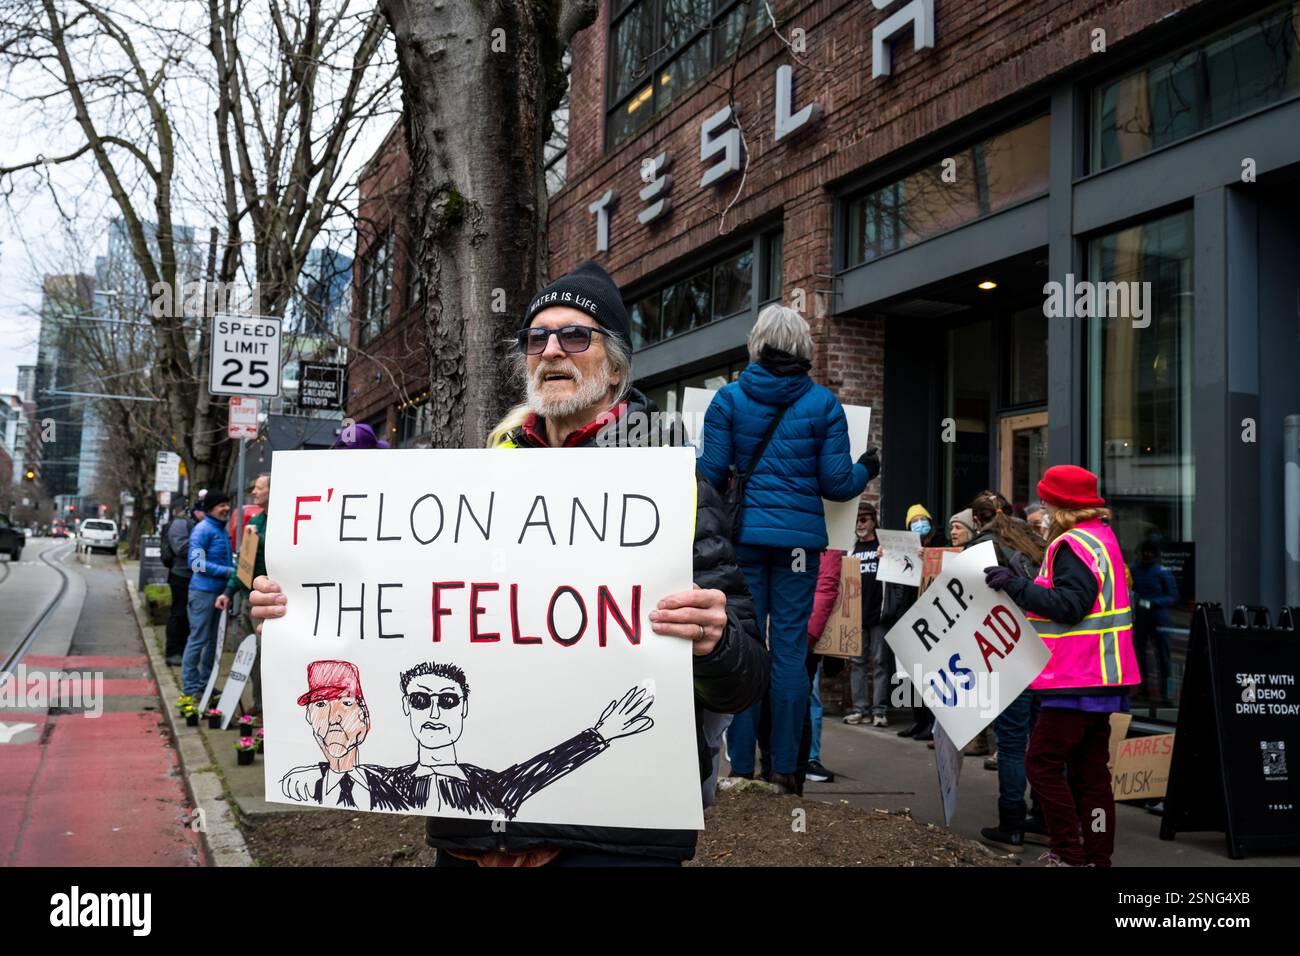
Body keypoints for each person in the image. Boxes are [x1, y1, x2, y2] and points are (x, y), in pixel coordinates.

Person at [250, 259, 766, 867]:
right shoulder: (470, 490)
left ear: (617, 362)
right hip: (474, 842)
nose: (552, 351)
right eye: (536, 338)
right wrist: (300, 613)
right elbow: (418, 628)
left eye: (577, 335)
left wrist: (714, 643)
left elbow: (746, 679)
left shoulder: (671, 489)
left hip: (612, 838)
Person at [698, 304, 877, 793]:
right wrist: (869, 468)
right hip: (800, 547)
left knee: (746, 648)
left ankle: (740, 768)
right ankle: (785, 771)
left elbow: (709, 476)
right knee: (791, 654)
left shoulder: (728, 401)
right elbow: (838, 484)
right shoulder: (823, 405)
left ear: (757, 343)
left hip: (743, 543)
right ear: (804, 349)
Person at [984, 464, 1140, 867]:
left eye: (1050, 502)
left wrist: (1015, 585)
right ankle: (1096, 856)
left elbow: (1070, 605)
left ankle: (1069, 853)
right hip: (1102, 677)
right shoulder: (1102, 538)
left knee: (1042, 764)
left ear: (1064, 505)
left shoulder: (1072, 544)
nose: (1045, 509)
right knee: (1091, 775)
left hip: (1074, 678)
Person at [966, 490, 1046, 849]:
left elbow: (967, 604)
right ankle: (1044, 816)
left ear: (978, 520)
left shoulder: (982, 546)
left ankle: (1011, 824)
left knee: (1012, 743)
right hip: (1046, 651)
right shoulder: (1034, 540)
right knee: (1043, 742)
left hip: (1008, 651)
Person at [279, 660, 408, 810]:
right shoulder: (299, 787)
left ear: (364, 717)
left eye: (346, 703)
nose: (334, 718)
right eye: (321, 704)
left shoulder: (395, 785)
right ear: (309, 716)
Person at [216, 473, 270, 713]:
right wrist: (229, 591)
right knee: (250, 656)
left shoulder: (280, 522)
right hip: (249, 599)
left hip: (265, 603)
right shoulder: (256, 521)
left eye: (259, 488)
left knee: (262, 657)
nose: (254, 492)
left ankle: (263, 707)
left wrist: (261, 540)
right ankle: (258, 705)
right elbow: (244, 566)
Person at [180, 492, 235, 698]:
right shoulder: (202, 530)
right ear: (211, 508)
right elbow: (196, 563)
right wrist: (229, 571)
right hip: (203, 593)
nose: (226, 508)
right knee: (198, 639)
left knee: (214, 641)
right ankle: (190, 688)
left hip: (218, 594)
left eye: (227, 504)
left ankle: (205, 685)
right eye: (222, 505)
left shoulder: (220, 529)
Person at [843, 503, 890, 727]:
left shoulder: (884, 546)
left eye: (864, 519)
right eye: (856, 520)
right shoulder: (850, 548)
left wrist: (888, 556)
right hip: (856, 614)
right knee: (857, 663)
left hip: (879, 613)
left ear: (873, 521)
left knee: (881, 662)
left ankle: (879, 711)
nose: (859, 524)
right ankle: (859, 709)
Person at [894, 504, 936, 741]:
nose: (920, 524)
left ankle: (931, 722)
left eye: (923, 519)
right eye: (915, 521)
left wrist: (928, 558)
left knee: (927, 673)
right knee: (909, 673)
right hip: (907, 614)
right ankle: (918, 720)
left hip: (929, 618)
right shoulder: (905, 549)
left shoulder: (938, 546)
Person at [804, 547, 846, 782]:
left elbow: (827, 586)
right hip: (803, 632)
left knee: (808, 695)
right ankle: (800, 758)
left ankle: (805, 757)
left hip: (804, 632)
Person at [1130, 540, 1177, 705]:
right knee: (1140, 655)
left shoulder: (1162, 572)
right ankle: (1143, 689)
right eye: (1145, 551)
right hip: (1141, 619)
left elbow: (1172, 596)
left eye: (1150, 552)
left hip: (1159, 619)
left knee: (1163, 656)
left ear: (1155, 555)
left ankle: (1167, 693)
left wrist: (1153, 602)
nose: (1147, 555)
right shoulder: (1134, 570)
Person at [163, 501, 201, 666]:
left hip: (191, 575)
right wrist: (203, 547)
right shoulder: (181, 522)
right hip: (180, 575)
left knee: (186, 615)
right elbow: (181, 548)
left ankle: (182, 650)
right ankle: (173, 652)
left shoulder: (194, 523)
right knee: (178, 613)